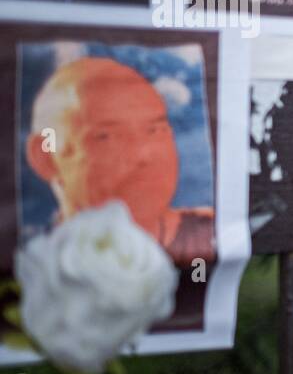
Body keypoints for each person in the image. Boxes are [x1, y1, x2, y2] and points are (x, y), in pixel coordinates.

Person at [25, 56, 214, 266]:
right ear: (46, 158)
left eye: (155, 131)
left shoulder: (214, 234)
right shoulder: (30, 261)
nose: (144, 155)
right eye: (106, 137)